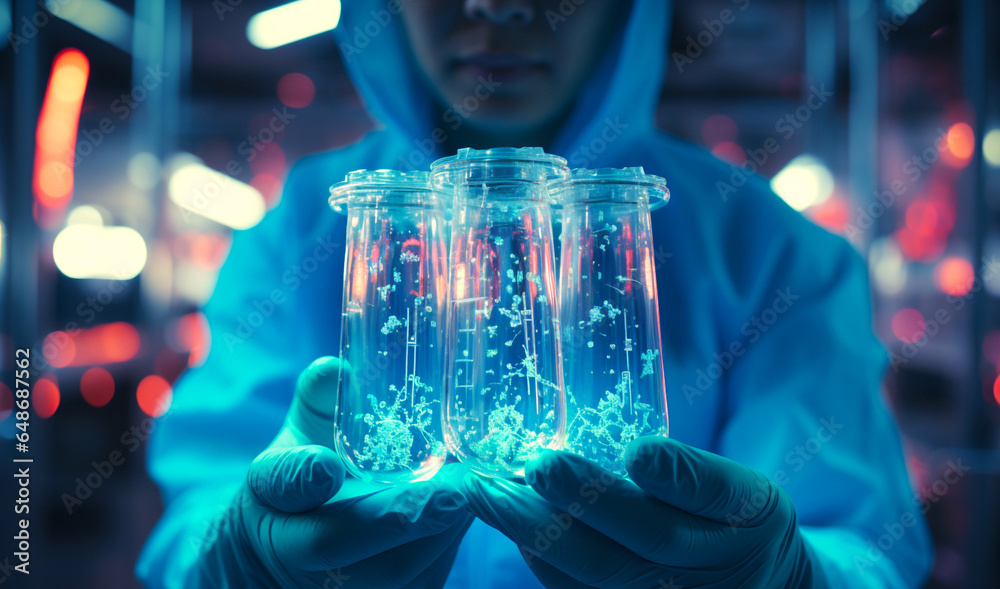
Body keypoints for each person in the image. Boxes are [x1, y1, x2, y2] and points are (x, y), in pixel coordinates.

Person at [137, 0, 934, 587]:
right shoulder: (301, 234)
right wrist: (236, 557)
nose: (494, 8)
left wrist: (792, 574)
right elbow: (191, 520)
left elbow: (870, 548)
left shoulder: (772, 254)